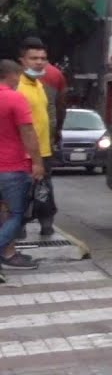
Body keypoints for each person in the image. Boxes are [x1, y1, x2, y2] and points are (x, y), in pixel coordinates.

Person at [0, 58, 43, 274]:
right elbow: (28, 132)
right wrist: (37, 162)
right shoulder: (15, 99)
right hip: (12, 168)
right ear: (11, 75)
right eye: (18, 76)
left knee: (4, 213)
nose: (19, 80)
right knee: (17, 215)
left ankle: (9, 253)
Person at [16, 38, 56, 237]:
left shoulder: (40, 85)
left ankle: (46, 225)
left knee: (45, 192)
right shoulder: (15, 86)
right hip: (21, 153)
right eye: (34, 58)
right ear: (22, 60)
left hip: (44, 151)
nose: (39, 62)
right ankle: (17, 230)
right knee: (19, 194)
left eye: (43, 58)